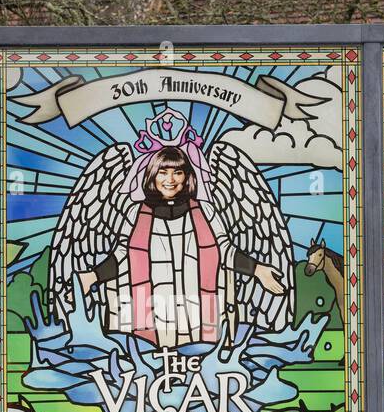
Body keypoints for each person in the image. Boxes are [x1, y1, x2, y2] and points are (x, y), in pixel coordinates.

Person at [77, 145, 285, 348]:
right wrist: (93, 276)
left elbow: (225, 250)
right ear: (152, 176)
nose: (170, 180)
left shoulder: (204, 212)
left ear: (187, 177)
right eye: (163, 172)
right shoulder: (136, 214)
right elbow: (123, 256)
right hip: (151, 308)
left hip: (197, 311)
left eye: (178, 172)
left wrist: (257, 270)